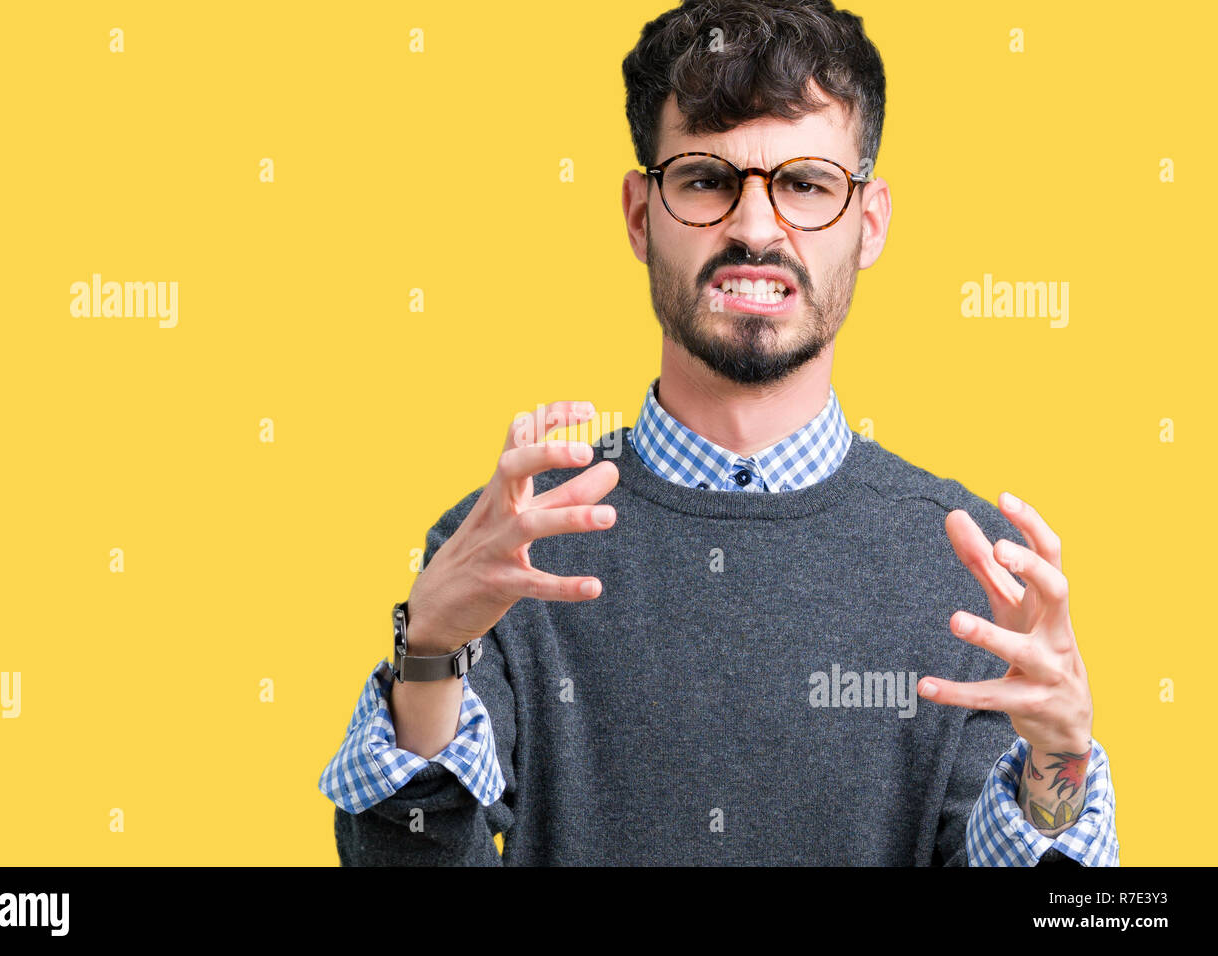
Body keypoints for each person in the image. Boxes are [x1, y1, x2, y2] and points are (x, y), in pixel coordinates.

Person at [318, 0, 1118, 866]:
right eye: (704, 178)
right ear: (638, 213)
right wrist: (427, 658)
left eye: (806, 184)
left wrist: (1058, 761)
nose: (755, 227)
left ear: (871, 220)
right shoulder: (511, 548)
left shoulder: (975, 573)